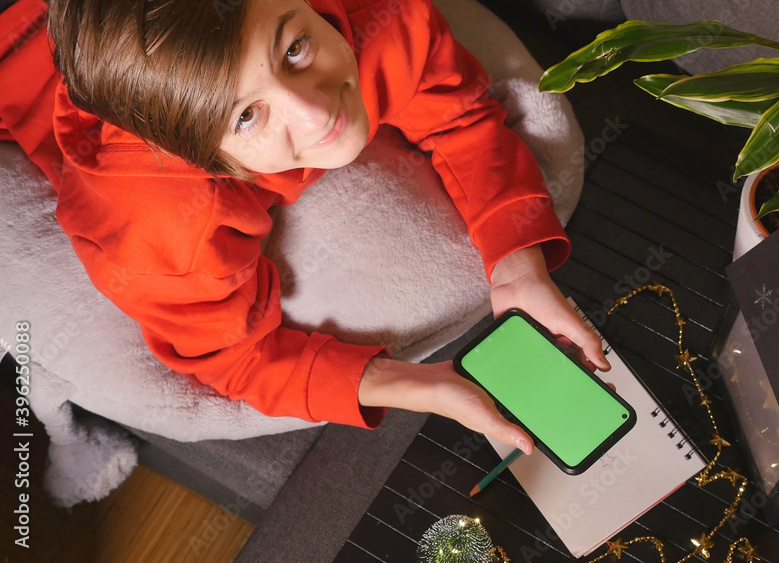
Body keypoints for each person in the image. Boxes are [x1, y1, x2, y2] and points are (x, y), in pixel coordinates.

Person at [0, 0, 609, 453]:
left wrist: (518, 266)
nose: (320, 113)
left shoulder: (381, 16)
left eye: (293, 49)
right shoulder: (157, 224)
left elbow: (462, 117)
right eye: (246, 116)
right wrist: (416, 385)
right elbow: (237, 360)